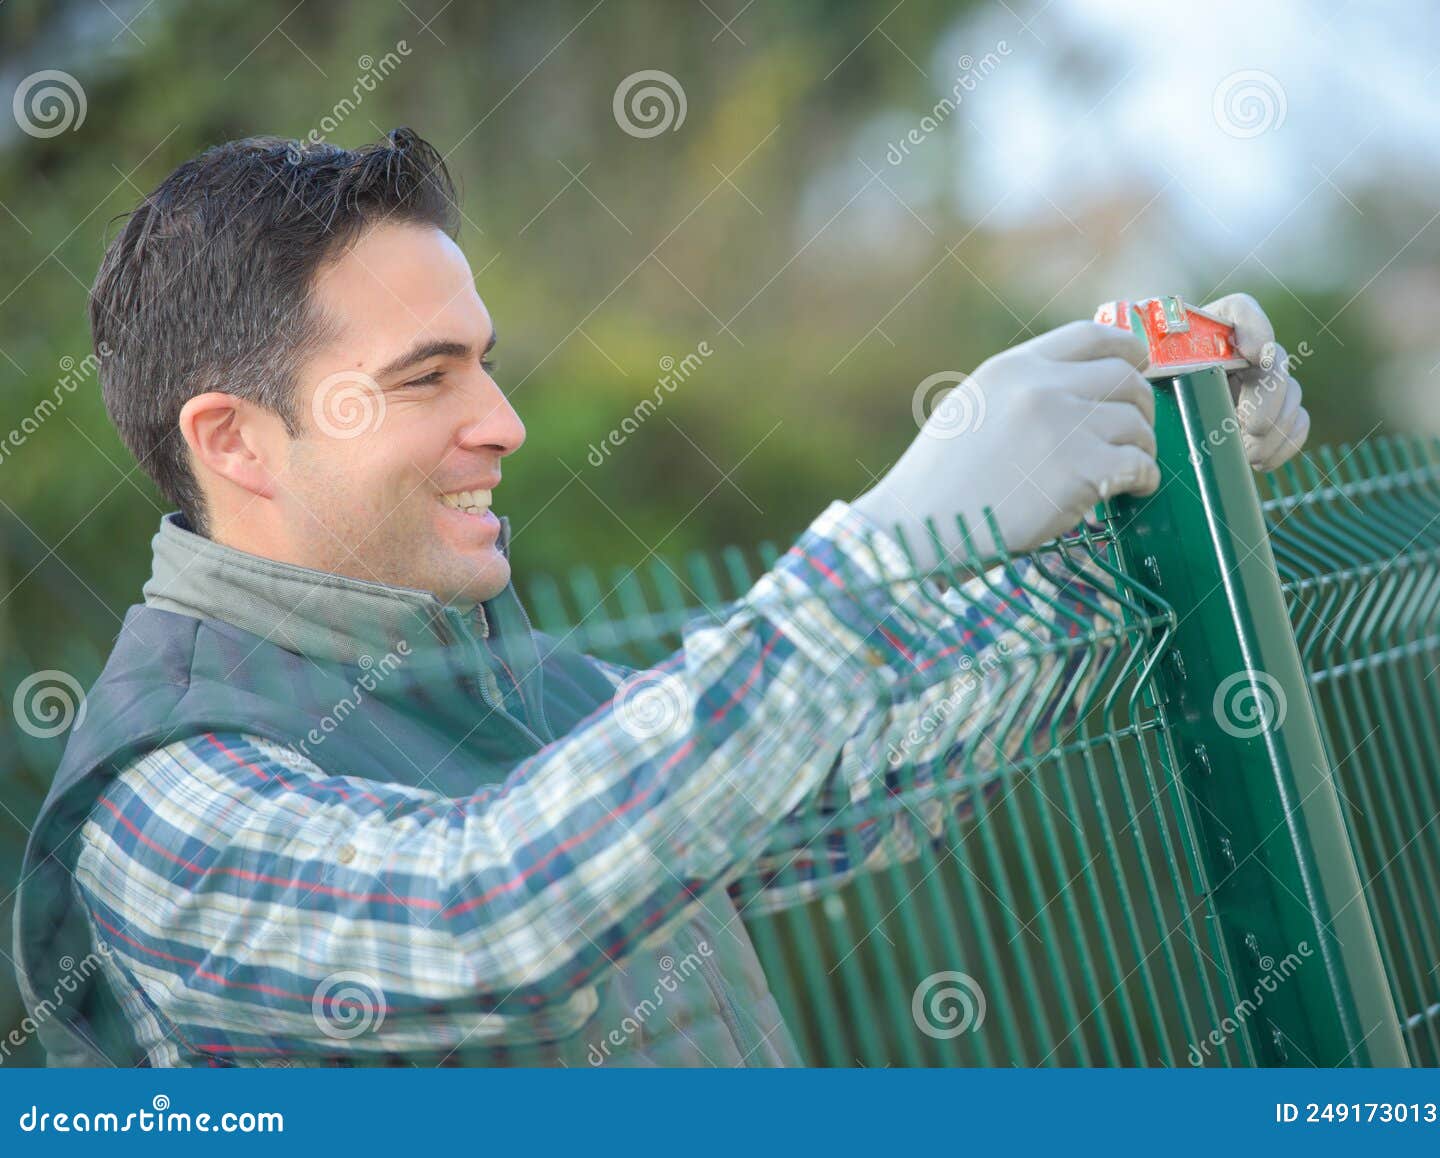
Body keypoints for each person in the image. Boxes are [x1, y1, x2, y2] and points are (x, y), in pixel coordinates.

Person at [13, 128, 1309, 1067]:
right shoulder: (162, 790)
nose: (503, 422)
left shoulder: (496, 681)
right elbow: (486, 915)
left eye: (488, 365)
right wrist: (890, 543)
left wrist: (1145, 494)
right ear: (236, 440)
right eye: (428, 379)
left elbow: (850, 783)